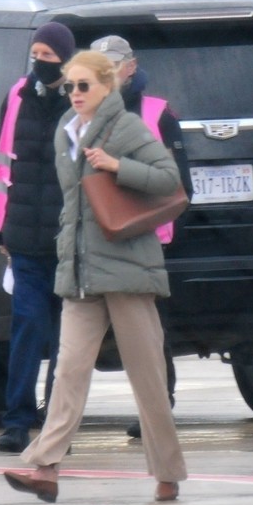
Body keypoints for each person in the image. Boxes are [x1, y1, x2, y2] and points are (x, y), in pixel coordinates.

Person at [3, 51, 187, 504]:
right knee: (68, 370)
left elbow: (169, 178)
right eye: (70, 86)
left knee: (147, 377)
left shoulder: (127, 128)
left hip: (125, 271)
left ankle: (167, 472)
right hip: (81, 272)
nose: (76, 94)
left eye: (84, 85)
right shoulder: (66, 130)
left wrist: (117, 166)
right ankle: (45, 468)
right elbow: (73, 204)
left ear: (108, 86)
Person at [0, 21, 75, 454]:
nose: (39, 62)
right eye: (35, 54)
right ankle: (17, 420)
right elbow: (2, 164)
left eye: (48, 55)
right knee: (28, 328)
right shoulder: (17, 97)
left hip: (68, 241)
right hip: (24, 239)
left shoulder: (79, 98)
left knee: (67, 340)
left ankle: (57, 424)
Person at [90, 35, 185, 436]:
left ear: (131, 66)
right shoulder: (84, 112)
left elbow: (179, 182)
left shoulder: (157, 112)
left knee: (149, 330)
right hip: (100, 236)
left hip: (151, 238)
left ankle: (158, 406)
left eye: (113, 65)